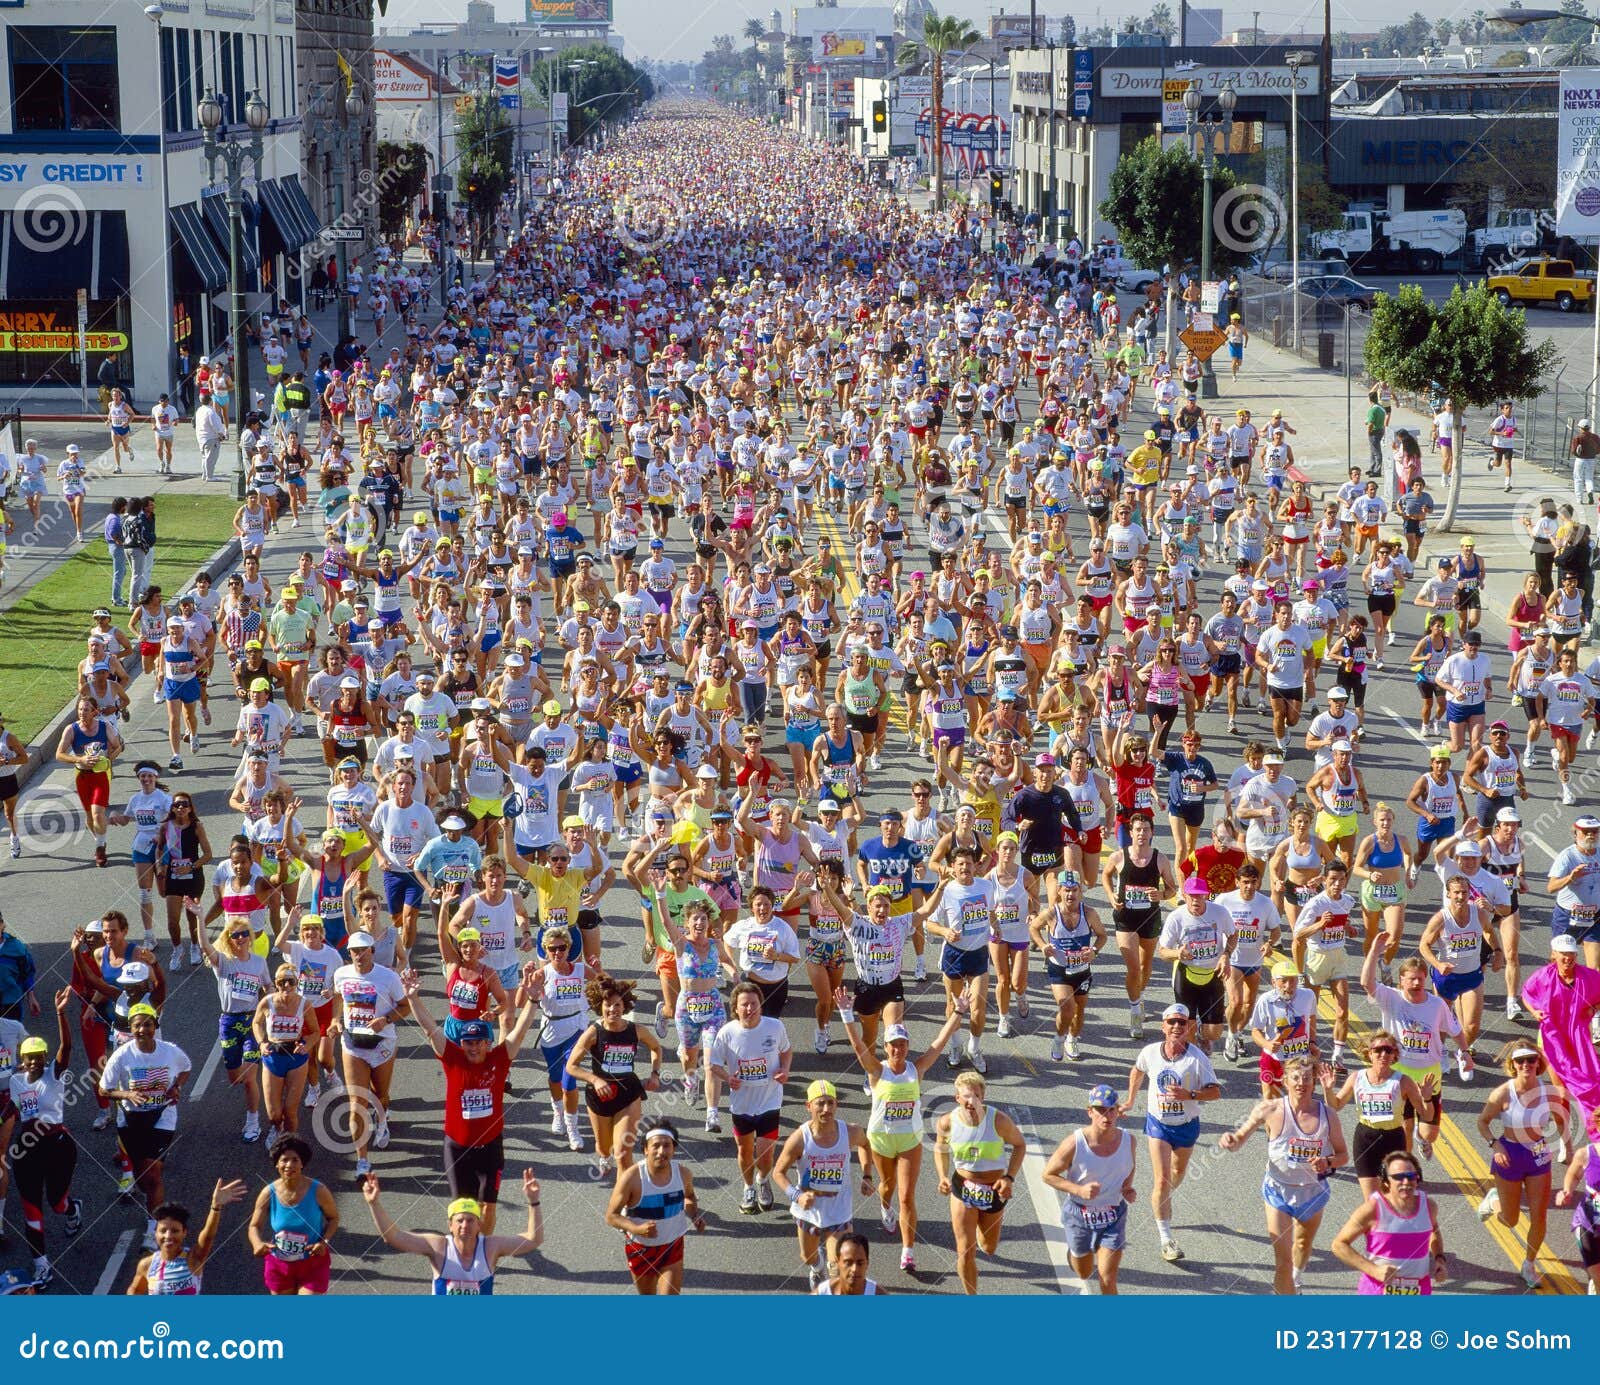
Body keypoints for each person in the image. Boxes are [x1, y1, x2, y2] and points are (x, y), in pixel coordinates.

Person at [838, 987, 968, 1272]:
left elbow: (939, 1041)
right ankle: (885, 1208)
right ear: (886, 1047)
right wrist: (847, 1014)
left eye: (903, 1044)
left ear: (908, 1046)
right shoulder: (877, 1070)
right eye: (893, 1045)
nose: (898, 1050)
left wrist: (958, 1011)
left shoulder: (915, 1069)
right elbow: (858, 1047)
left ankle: (907, 1251)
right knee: (887, 1187)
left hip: (910, 1140)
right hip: (882, 1140)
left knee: (907, 1196)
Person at [404, 965, 539, 1232]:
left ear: (488, 1043)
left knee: (488, 1207)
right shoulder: (453, 1059)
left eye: (478, 1042)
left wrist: (533, 1001)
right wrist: (412, 997)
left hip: (490, 1147)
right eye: (468, 1042)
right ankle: (462, 1248)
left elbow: (520, 1031)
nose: (473, 1047)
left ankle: (484, 1250)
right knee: (463, 1210)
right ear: (461, 1043)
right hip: (458, 1148)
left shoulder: (499, 1058)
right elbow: (431, 1029)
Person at [1219, 1054, 1349, 1294]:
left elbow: (1343, 1155)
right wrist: (1231, 1140)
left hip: (1312, 1193)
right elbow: (1240, 1138)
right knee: (1282, 1263)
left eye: (1307, 1078)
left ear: (1314, 1082)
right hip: (1277, 1191)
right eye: (1296, 1077)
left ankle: (1296, 1281)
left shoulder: (1328, 1115)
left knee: (1302, 1244)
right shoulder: (1269, 1109)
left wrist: (1327, 1161)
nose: (1301, 1083)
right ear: (1285, 1081)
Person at [1122, 1002, 1221, 1263]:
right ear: (1163, 1027)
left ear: (1189, 1028)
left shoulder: (1197, 1059)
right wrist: (1130, 1101)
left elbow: (1215, 1092)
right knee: (1163, 1180)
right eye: (1171, 1022)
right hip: (1158, 1124)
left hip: (1187, 1125)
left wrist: (1189, 1095)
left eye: (1182, 1022)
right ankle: (1166, 1240)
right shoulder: (1150, 1052)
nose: (1177, 1026)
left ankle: (1162, 1199)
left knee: (1177, 1173)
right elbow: (1137, 1070)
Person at [98, 1002, 191, 1250]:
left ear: (155, 1026)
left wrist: (176, 1087)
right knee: (142, 1180)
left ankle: (152, 1231)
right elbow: (104, 1090)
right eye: (137, 1025)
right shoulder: (122, 1056)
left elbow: (186, 1068)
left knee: (153, 1173)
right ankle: (148, 1200)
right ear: (130, 1028)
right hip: (131, 1119)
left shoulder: (170, 1051)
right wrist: (127, 1094)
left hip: (162, 1116)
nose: (142, 1030)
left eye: (147, 1024)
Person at [362, 1168, 544, 1294]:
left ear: (479, 1225)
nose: (465, 1225)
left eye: (470, 1220)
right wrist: (374, 1204)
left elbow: (533, 1239)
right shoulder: (438, 1246)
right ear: (450, 1225)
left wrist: (534, 1201)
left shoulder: (491, 1247)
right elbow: (393, 1236)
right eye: (459, 1220)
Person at [1475, 1043, 1568, 1287]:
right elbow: (1482, 1122)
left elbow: (1560, 1119)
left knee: (1540, 1215)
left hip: (1538, 1154)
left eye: (1531, 1059)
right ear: (1513, 1065)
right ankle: (1494, 1200)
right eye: (1520, 1061)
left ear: (1538, 1063)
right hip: (1510, 1154)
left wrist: (1568, 1147)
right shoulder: (1502, 1093)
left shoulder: (1548, 1092)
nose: (1526, 1064)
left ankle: (1529, 1264)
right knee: (1510, 1220)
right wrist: (1495, 1145)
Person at [771, 1078, 875, 1291]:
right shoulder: (800, 1139)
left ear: (837, 1105)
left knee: (838, 1268)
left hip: (839, 1212)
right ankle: (817, 1267)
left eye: (831, 1103)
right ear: (808, 1106)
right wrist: (797, 1195)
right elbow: (778, 1173)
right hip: (808, 1212)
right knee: (807, 1256)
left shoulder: (850, 1132)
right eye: (820, 1103)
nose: (826, 1109)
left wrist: (867, 1176)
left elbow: (865, 1145)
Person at [6, 990, 81, 1286]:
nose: (34, 1063)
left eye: (39, 1058)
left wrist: (61, 1013)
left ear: (45, 1058)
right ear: (22, 1061)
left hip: (58, 1147)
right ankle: (41, 1265)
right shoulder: (15, 1081)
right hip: (27, 1150)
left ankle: (73, 1208)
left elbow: (68, 1047)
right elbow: (13, 1109)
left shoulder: (54, 1074)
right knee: (31, 1209)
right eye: (29, 1059)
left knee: (57, 1203)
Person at [932, 1071, 1026, 1294]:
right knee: (965, 1251)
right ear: (957, 1098)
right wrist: (943, 1176)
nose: (971, 1100)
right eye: (966, 1096)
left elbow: (1020, 1145)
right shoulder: (947, 1122)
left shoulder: (999, 1121)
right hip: (963, 1187)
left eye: (975, 1095)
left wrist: (1009, 1177)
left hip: (993, 1189)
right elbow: (940, 1148)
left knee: (989, 1247)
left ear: (982, 1097)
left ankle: (979, 1233)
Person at [565, 971, 664, 1175]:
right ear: (599, 1006)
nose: (612, 1009)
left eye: (617, 1005)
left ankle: (625, 1193)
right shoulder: (593, 1033)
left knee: (622, 1153)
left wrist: (655, 1073)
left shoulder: (636, 1030)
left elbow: (656, 1047)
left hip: (628, 1094)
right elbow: (571, 1066)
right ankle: (604, 1157)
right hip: (600, 1096)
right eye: (608, 1005)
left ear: (624, 1006)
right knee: (604, 1148)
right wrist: (595, 1080)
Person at [708, 980, 793, 1215]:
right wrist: (728, 1078)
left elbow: (786, 1051)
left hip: (769, 1100)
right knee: (745, 1151)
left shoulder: (774, 1027)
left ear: (761, 1005)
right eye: (744, 1004)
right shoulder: (727, 1033)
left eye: (753, 1004)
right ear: (735, 1008)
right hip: (742, 1104)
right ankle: (748, 1187)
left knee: (765, 1153)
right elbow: (713, 1064)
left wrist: (785, 1070)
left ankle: (763, 1179)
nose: (749, 1009)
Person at [1044, 1084, 1138, 1294]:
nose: (1107, 1115)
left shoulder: (1129, 1140)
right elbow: (1048, 1175)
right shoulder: (1075, 1143)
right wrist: (1078, 1190)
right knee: (1084, 1273)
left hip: (1113, 1214)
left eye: (1111, 1109)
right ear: (1090, 1112)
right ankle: (1074, 1253)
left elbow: (1130, 1166)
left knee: (1107, 1277)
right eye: (1100, 1110)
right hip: (1080, 1214)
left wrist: (1127, 1188)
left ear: (1118, 1111)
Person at [330, 929, 409, 1177]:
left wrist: (385, 1020)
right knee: (357, 1103)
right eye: (355, 951)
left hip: (382, 1043)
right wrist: (335, 1020)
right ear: (349, 953)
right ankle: (362, 1160)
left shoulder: (388, 977)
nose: (359, 955)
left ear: (372, 952)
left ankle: (382, 1118)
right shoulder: (341, 974)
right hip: (353, 1044)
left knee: (380, 1094)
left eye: (364, 951)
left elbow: (405, 1007)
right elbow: (338, 998)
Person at [604, 1117, 706, 1294]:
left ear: (674, 1149)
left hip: (673, 1246)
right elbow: (611, 1216)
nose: (661, 1151)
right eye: (656, 1145)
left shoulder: (683, 1174)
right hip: (641, 1249)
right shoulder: (631, 1178)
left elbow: (689, 1197)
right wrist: (636, 1229)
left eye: (667, 1145)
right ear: (645, 1149)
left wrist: (695, 1216)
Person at [1322, 1030, 1424, 1198]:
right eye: (1378, 1050)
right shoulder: (1357, 1077)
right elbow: (1336, 1105)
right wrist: (1328, 1090)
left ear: (1394, 1055)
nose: (1383, 1054)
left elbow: (1425, 1113)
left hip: (1394, 1138)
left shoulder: (1403, 1081)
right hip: (1365, 1139)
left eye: (1388, 1050)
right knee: (1372, 1200)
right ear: (1369, 1053)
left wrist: (1427, 1098)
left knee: (1394, 1197)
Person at [1330, 1150, 1448, 1295]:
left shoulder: (1429, 1206)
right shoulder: (1373, 1209)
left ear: (1417, 1178)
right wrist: (1374, 1270)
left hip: (1419, 1289)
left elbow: (1434, 1232)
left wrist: (1440, 1260)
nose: (1406, 1182)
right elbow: (1339, 1245)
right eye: (1399, 1177)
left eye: (1411, 1176)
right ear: (1386, 1182)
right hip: (1377, 1290)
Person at [1521, 934, 1600, 1140]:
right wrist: (1534, 1012)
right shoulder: (1543, 977)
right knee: (1560, 1092)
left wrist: (1594, 1008)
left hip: (1578, 1041)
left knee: (1589, 1083)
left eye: (1571, 954)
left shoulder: (1588, 977)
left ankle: (1596, 1131)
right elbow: (1527, 993)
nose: (1568, 958)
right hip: (1552, 1041)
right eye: (1563, 954)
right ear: (1554, 954)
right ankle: (1566, 1140)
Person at [246, 1134, 340, 1295]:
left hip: (313, 1263)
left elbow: (333, 1218)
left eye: (295, 1160)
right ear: (277, 1164)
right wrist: (257, 1243)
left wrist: (324, 1242)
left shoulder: (319, 1191)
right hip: (279, 1265)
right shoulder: (268, 1193)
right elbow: (254, 1225)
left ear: (302, 1163)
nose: (289, 1165)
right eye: (284, 1160)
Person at [126, 1179, 248, 1294]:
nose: (168, 1236)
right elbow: (135, 1290)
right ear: (155, 1233)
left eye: (175, 1231)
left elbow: (208, 1236)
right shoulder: (147, 1265)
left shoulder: (193, 1259)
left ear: (184, 1232)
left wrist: (215, 1207)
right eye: (163, 1231)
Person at [815, 1230, 880, 1295]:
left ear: (867, 1263)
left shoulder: (878, 1294)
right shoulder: (821, 1293)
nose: (854, 1269)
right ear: (837, 1262)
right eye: (848, 1263)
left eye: (860, 1263)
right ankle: (817, 1264)